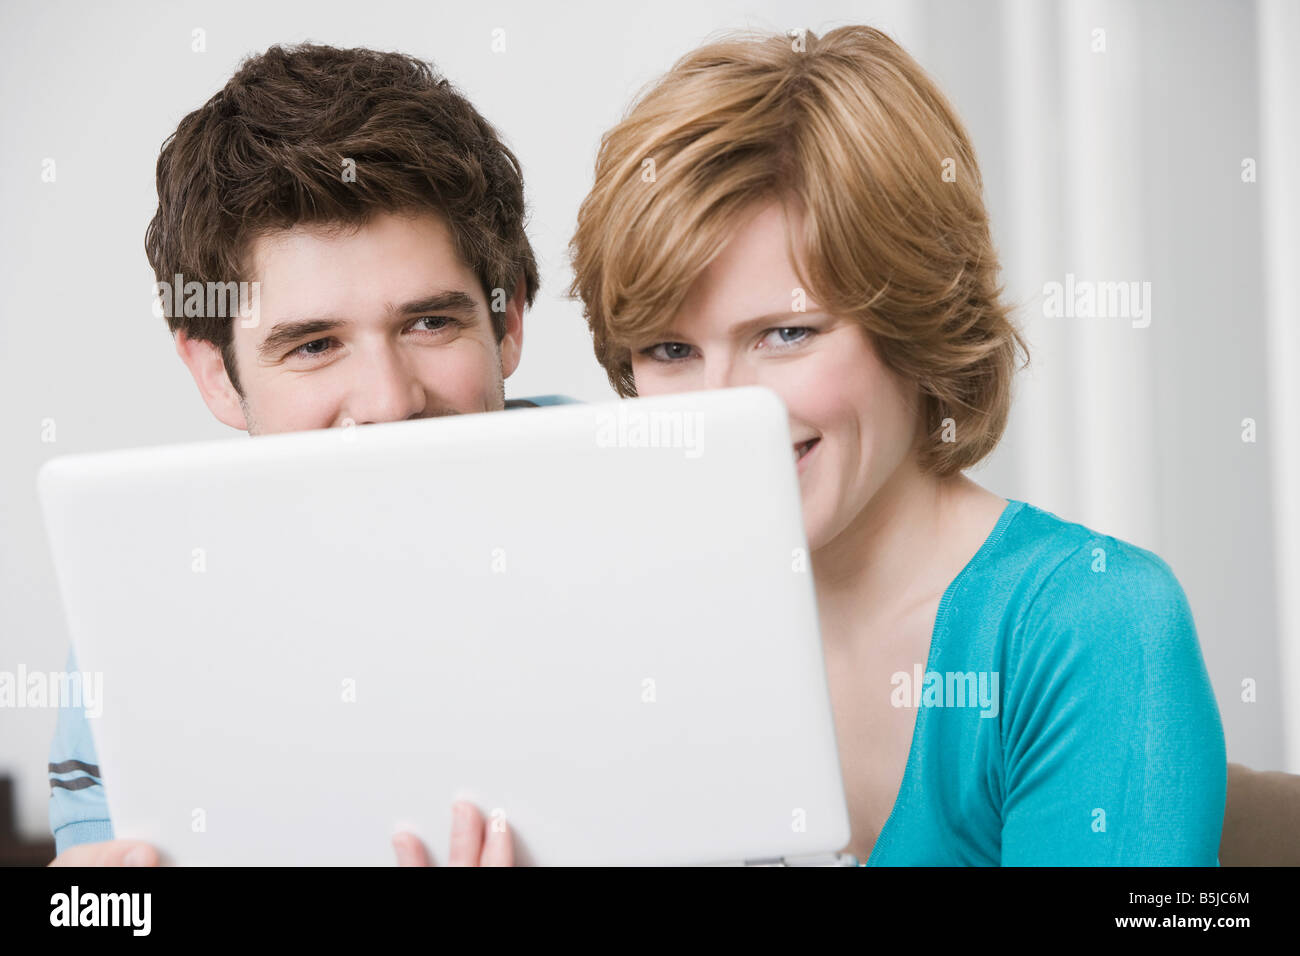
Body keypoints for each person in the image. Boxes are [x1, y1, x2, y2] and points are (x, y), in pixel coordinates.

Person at [568, 26, 1228, 864]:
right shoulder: (639, 635)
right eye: (670, 350)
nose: (719, 414)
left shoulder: (1092, 625)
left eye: (786, 334)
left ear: (912, 326)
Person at [47, 42, 572, 867]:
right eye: (315, 345)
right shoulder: (141, 599)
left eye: (430, 323)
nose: (390, 402)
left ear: (507, 325)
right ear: (217, 376)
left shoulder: (653, 511)